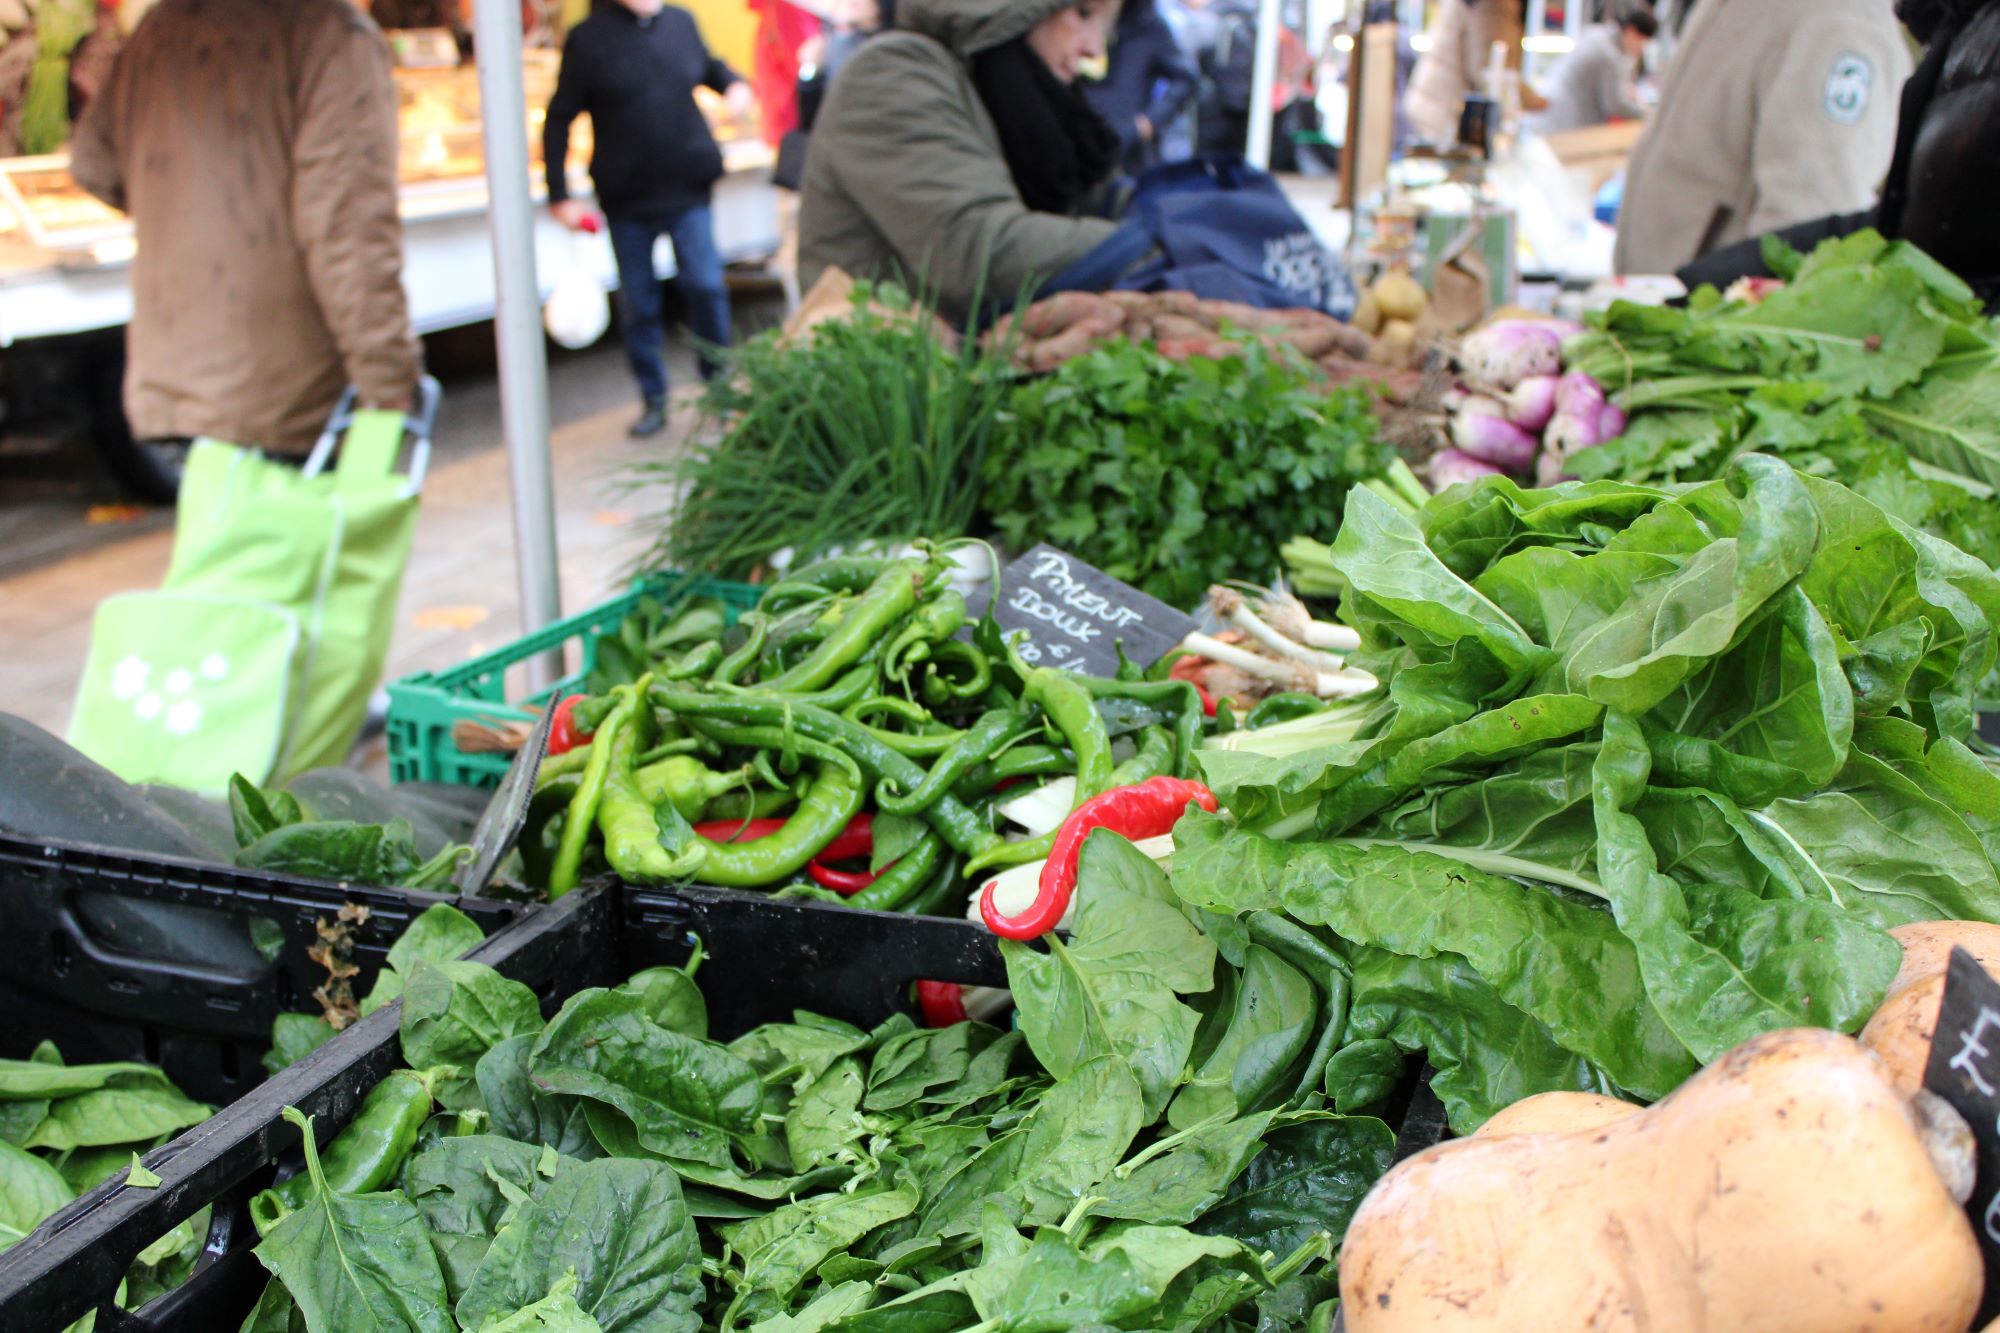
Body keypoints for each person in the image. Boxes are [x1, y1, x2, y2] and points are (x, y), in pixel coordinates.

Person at [69, 0, 419, 464]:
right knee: (291, 533)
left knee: (218, 531)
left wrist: (187, 208)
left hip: (174, 370)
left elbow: (93, 163)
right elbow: (349, 235)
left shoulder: (162, 24)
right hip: (283, 386)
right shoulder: (331, 33)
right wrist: (389, 380)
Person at [798, 0, 1123, 323]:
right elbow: (980, 254)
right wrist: (1150, 241)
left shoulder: (1013, 95)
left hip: (956, 361)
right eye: (1082, 14)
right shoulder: (893, 72)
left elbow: (1103, 197)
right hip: (897, 364)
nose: (1094, 49)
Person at [1676, 0, 2000, 302]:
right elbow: (1899, 226)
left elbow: (1815, 188)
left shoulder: (1842, 18)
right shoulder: (1960, 25)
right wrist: (1700, 280)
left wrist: (1830, 311)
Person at [544, 0, 754, 438]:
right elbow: (558, 118)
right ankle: (653, 399)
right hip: (628, 199)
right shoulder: (589, 39)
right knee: (640, 305)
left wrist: (734, 85)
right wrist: (559, 195)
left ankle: (721, 392)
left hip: (687, 186)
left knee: (706, 287)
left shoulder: (680, 23)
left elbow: (711, 69)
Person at [1612, 0, 1911, 276]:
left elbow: (1812, 220)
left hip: (1702, 315)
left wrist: (1721, 316)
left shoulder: (1839, 18)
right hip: (1658, 300)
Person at [1402, 0, 1543, 146]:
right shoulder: (1493, 6)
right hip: (1449, 110)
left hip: (1437, 102)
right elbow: (1488, 68)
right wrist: (1533, 101)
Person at [1084, 0, 1199, 173]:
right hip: (1080, 136)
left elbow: (1185, 78)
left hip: (1127, 148)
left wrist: (1149, 121)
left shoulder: (1148, 26)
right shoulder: (1079, 18)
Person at [1538, 3, 1657, 133]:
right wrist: (1652, 115)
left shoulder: (1599, 34)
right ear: (1631, 31)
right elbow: (1616, 105)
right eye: (1642, 42)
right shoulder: (1609, 55)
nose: (1640, 50)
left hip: (1554, 110)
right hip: (1567, 122)